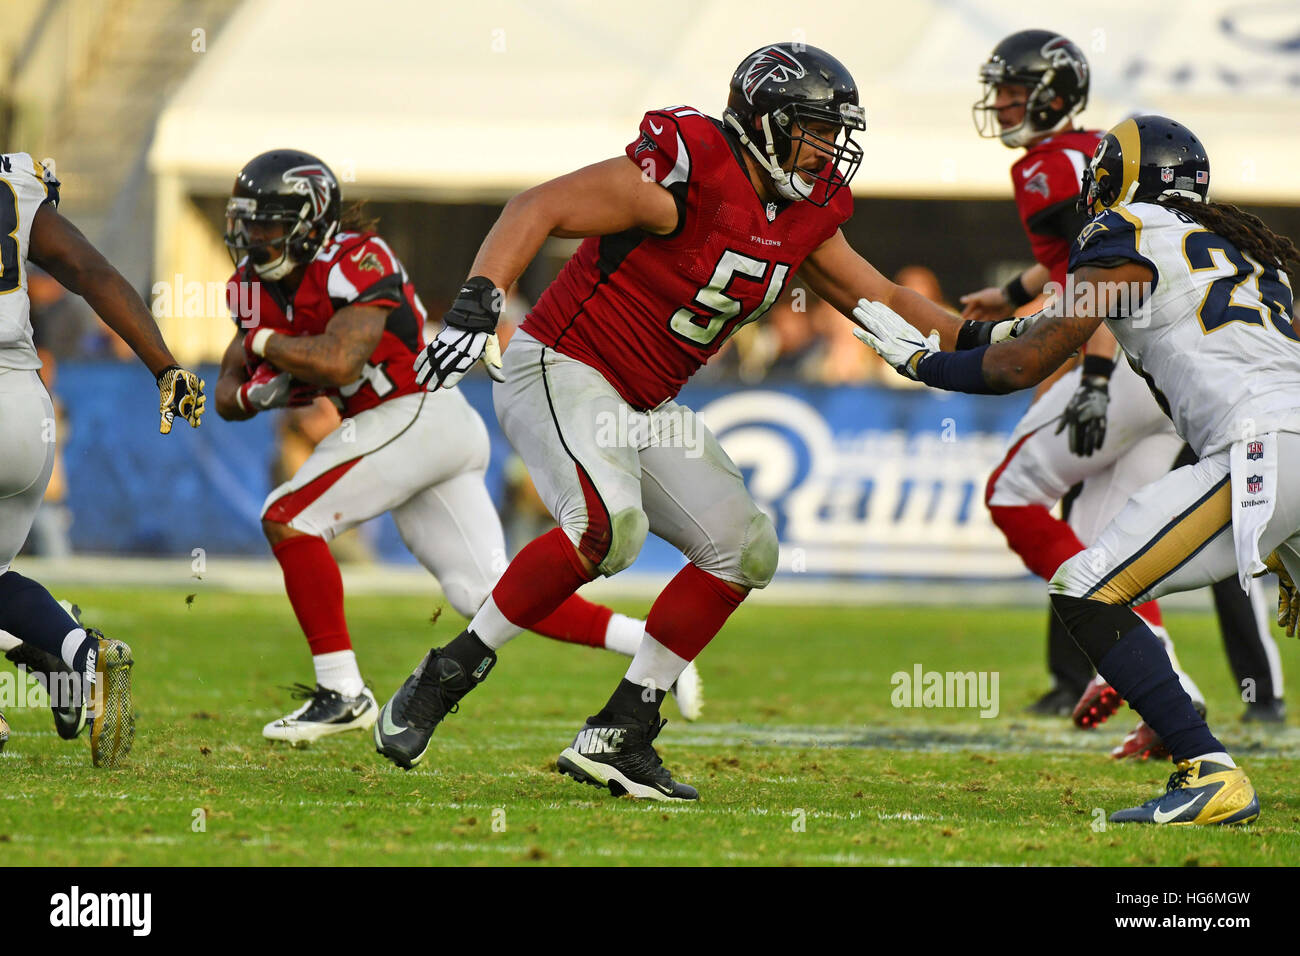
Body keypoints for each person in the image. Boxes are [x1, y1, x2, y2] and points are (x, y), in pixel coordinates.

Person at [372, 43, 972, 800]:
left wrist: (982, 340)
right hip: (562, 365)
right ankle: (445, 675)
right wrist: (478, 297)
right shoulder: (689, 168)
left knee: (742, 548)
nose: (827, 150)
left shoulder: (807, 214)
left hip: (645, 403)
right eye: (813, 130)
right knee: (604, 529)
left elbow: (879, 293)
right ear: (763, 122)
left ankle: (621, 732)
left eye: (833, 133)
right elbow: (537, 205)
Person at [853, 115, 1298, 824]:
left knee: (1088, 587)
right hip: (1284, 439)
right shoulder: (1247, 253)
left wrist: (919, 361)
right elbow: (1035, 330)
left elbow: (1020, 364)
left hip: (1259, 447)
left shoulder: (1128, 232)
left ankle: (1206, 768)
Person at [214, 150, 697, 744]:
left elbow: (341, 359)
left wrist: (268, 344)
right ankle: (645, 641)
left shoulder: (356, 259)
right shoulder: (249, 287)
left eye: (268, 219)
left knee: (288, 518)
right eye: (248, 220)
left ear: (310, 219)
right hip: (413, 429)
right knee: (486, 594)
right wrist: (258, 393)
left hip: (412, 410)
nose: (253, 234)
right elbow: (227, 392)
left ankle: (341, 690)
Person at [964, 30, 1282, 746]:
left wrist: (1096, 378)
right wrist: (1014, 287)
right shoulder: (1090, 161)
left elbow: (1106, 272)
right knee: (1104, 538)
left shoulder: (1050, 167)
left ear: (1054, 95)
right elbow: (1084, 257)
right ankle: (1166, 695)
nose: (1004, 103)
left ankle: (1155, 667)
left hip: (1134, 365)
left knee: (1012, 492)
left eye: (1015, 90)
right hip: (1191, 385)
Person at [0, 152, 205, 767]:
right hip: (26, 409)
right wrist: (165, 367)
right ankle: (83, 658)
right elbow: (91, 271)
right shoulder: (13, 182)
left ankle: (47, 660)